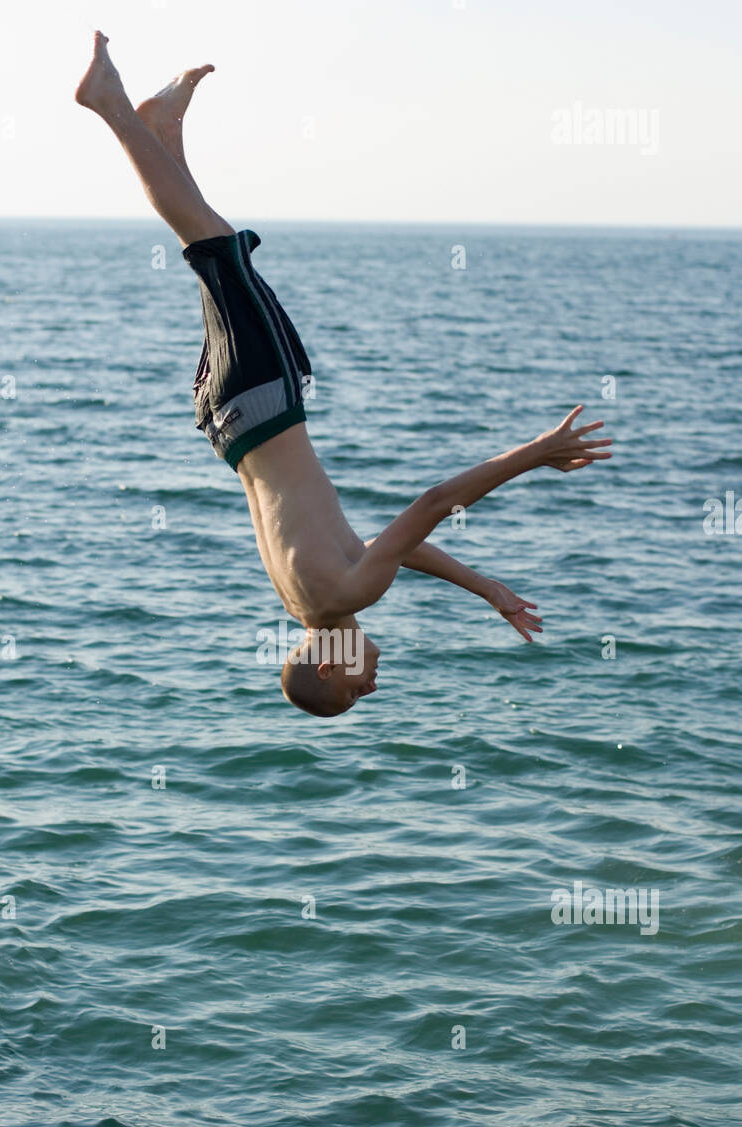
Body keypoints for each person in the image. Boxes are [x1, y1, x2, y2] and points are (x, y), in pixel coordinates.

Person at [75, 33, 613, 717]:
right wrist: (488, 590)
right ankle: (165, 130)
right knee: (218, 254)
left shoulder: (349, 594)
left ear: (330, 670)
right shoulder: (307, 598)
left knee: (213, 248)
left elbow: (427, 506)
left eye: (358, 689)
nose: (374, 684)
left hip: (264, 402)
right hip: (227, 422)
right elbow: (396, 545)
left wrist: (536, 453)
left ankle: (112, 109)